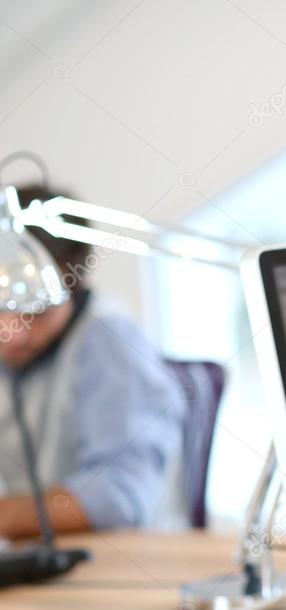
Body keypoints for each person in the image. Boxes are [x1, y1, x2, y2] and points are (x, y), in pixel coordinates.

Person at [0, 185, 186, 539]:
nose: (13, 333)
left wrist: (7, 517)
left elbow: (118, 498)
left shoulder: (111, 344)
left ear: (73, 283)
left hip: (125, 567)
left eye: (36, 310)